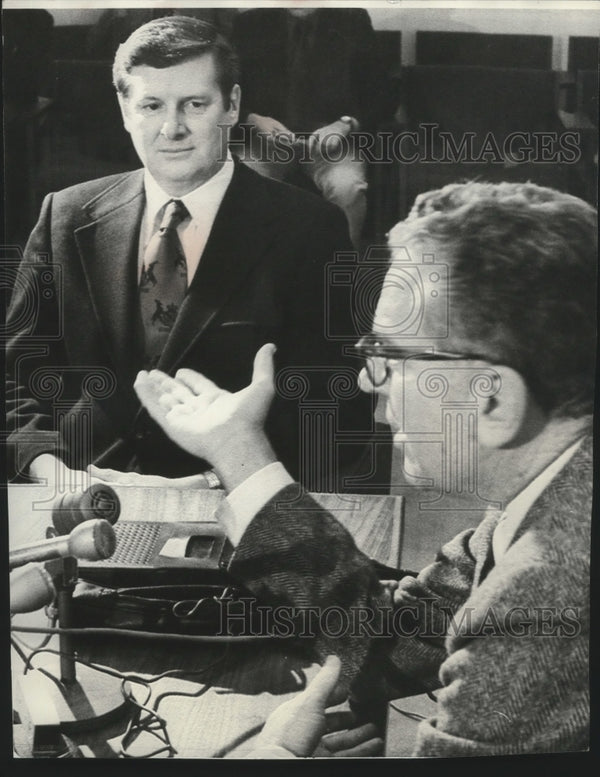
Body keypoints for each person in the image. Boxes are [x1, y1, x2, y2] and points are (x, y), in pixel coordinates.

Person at [133, 181, 594, 757]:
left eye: (391, 357)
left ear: (493, 400)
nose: (364, 380)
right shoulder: (548, 491)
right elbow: (389, 641)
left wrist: (273, 756)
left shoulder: (543, 593)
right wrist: (238, 451)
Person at [5, 15, 372, 494]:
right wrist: (51, 471)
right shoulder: (66, 216)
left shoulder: (310, 229)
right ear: (125, 110)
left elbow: (336, 405)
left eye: (194, 104)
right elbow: (15, 376)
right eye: (151, 105)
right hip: (75, 494)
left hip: (226, 503)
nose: (171, 128)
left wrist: (213, 480)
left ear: (232, 105)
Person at [231, 7, 391, 248]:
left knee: (348, 187)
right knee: (246, 186)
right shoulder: (250, 23)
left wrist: (345, 124)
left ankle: (342, 266)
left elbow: (382, 94)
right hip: (265, 142)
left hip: (332, 146)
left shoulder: (352, 20)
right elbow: (225, 89)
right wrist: (252, 119)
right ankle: (261, 268)